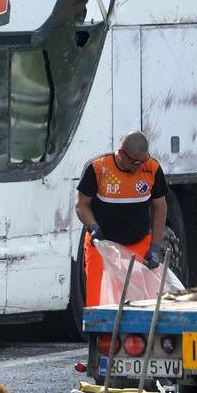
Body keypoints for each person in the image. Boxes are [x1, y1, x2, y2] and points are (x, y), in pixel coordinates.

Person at [75, 130, 168, 307]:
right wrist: (93, 226)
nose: (139, 166)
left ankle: (135, 335)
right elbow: (81, 204)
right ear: (120, 153)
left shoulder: (152, 169)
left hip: (138, 242)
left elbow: (160, 208)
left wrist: (155, 246)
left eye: (143, 160)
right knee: (97, 298)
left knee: (142, 301)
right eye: (135, 162)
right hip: (102, 244)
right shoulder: (98, 168)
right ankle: (99, 334)